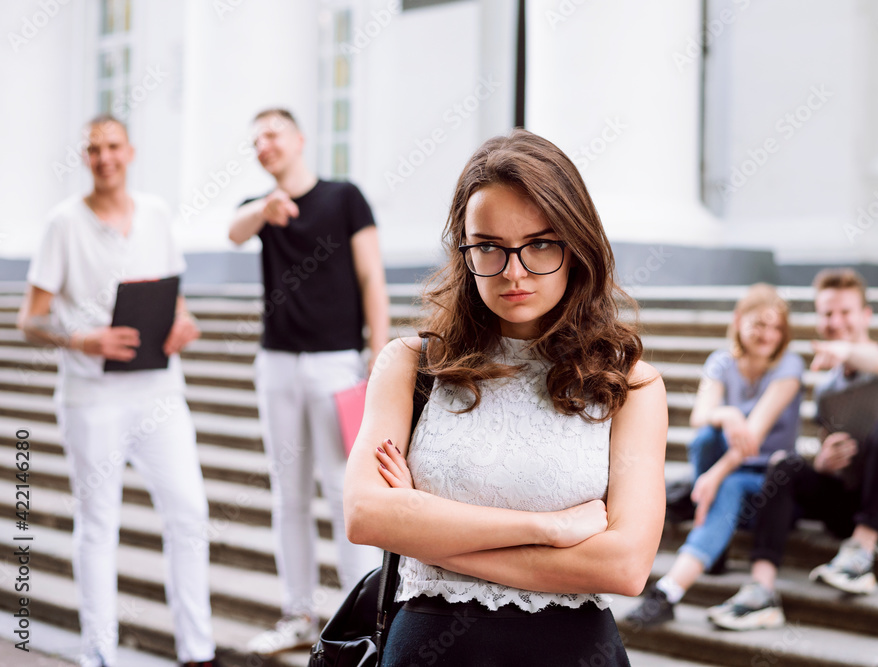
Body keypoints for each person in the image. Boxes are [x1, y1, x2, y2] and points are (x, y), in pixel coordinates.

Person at [342, 129, 669, 665]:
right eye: (489, 247)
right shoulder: (412, 365)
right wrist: (550, 530)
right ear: (464, 250)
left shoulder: (629, 385)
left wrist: (423, 525)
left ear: (577, 245)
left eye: (539, 243)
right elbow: (364, 515)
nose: (513, 272)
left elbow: (624, 566)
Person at [17, 115, 217, 667]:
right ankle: (98, 654)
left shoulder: (154, 214)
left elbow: (176, 302)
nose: (104, 157)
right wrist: (84, 339)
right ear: (84, 157)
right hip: (92, 400)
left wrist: (185, 324)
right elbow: (28, 320)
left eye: (112, 146)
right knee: (98, 524)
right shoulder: (63, 223)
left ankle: (197, 652)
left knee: (189, 513)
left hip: (159, 392)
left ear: (129, 151)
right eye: (92, 149)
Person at [228, 108, 389, 654]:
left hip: (336, 363)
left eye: (272, 134)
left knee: (349, 492)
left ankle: (365, 622)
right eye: (255, 140)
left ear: (299, 139)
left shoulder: (344, 197)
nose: (263, 145)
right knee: (287, 495)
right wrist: (264, 210)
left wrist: (379, 348)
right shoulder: (259, 210)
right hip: (276, 364)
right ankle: (297, 613)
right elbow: (233, 232)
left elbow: (372, 275)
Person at [708, 268, 878, 631]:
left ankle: (860, 555)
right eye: (827, 313)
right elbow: (831, 458)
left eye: (845, 312)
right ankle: (761, 590)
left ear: (866, 316)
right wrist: (825, 463)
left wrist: (846, 351)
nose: (836, 321)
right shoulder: (828, 389)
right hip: (853, 501)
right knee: (785, 464)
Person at [625, 284, 804, 627]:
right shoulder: (722, 362)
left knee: (729, 485)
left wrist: (712, 477)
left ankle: (667, 591)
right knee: (708, 435)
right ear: (738, 321)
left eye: (776, 327)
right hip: (727, 470)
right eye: (759, 324)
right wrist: (728, 415)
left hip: (772, 482)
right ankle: (707, 531)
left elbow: (753, 436)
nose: (768, 334)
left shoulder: (789, 366)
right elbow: (701, 414)